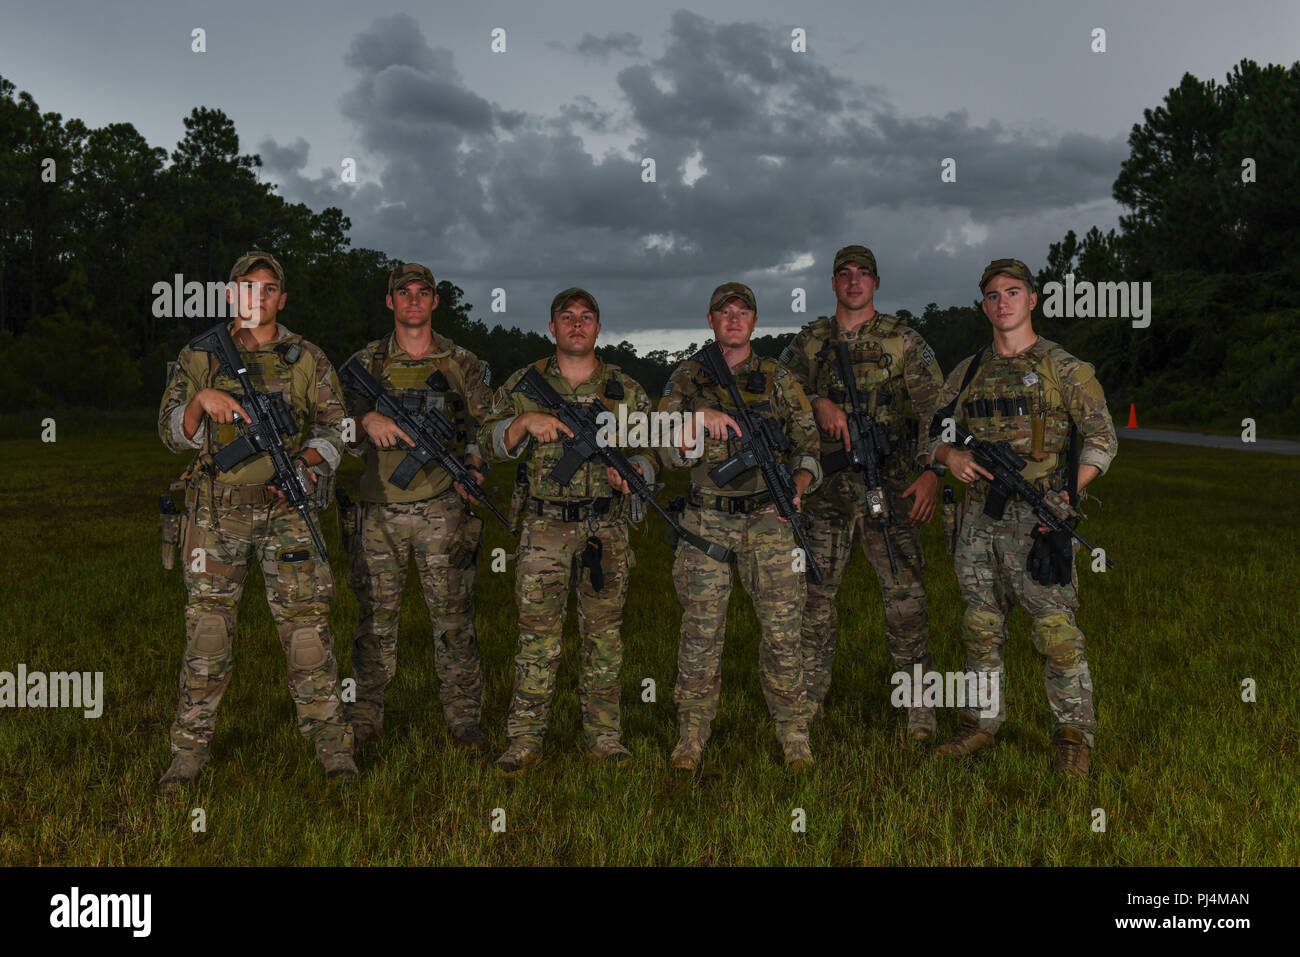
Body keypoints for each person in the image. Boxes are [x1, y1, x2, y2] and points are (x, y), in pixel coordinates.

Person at [157, 250, 353, 791]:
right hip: (217, 513)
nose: (258, 297)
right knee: (209, 632)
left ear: (281, 299)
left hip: (288, 509)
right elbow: (171, 433)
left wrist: (305, 462)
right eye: (247, 287)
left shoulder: (307, 357)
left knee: (307, 632)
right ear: (229, 294)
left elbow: (339, 429)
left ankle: (333, 748)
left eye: (268, 289)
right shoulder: (199, 355)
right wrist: (201, 401)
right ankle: (188, 753)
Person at [930, 258, 1117, 775]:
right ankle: (980, 724)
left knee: (1057, 631)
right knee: (980, 626)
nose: (1003, 301)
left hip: (1041, 520)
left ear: (1032, 299)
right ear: (984, 305)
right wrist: (950, 458)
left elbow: (1103, 439)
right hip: (977, 524)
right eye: (992, 294)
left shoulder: (1065, 368)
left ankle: (1073, 733)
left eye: (1013, 291)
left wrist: (1065, 495)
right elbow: (932, 434)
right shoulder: (966, 372)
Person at [477, 288, 655, 774]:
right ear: (551, 327)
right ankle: (524, 739)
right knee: (536, 638)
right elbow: (485, 442)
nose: (577, 325)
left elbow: (650, 448)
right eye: (567, 317)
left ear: (599, 327)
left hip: (607, 528)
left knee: (605, 638)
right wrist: (523, 422)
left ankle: (604, 737)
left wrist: (635, 468)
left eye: (587, 317)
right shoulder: (524, 382)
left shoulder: (625, 389)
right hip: (544, 528)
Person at [783, 245, 946, 739]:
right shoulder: (811, 341)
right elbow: (778, 391)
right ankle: (809, 698)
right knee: (814, 596)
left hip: (891, 481)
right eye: (844, 274)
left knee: (905, 596)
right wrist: (817, 400)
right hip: (826, 489)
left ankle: (919, 706)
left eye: (863, 275)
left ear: (876, 282)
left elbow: (936, 414)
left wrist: (932, 472)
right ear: (833, 283)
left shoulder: (903, 340)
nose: (854, 282)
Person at [657, 282, 821, 771]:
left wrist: (800, 481)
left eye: (742, 311)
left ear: (754, 321)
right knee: (701, 631)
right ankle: (691, 737)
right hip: (706, 518)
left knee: (785, 631)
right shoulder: (688, 375)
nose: (733, 318)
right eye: (723, 311)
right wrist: (696, 416)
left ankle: (794, 734)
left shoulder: (779, 378)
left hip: (769, 518)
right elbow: (662, 442)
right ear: (710, 320)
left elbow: (809, 441)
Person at [340, 263, 494, 751]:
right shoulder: (365, 364)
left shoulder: (463, 362)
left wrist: (474, 462)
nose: (412, 300)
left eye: (422, 293)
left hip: (444, 509)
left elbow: (487, 427)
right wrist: (365, 420)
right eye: (402, 293)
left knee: (454, 619)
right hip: (378, 510)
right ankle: (365, 719)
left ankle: (465, 721)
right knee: (374, 622)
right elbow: (334, 431)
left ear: (435, 302)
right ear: (390, 302)